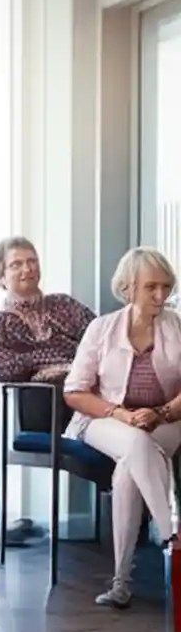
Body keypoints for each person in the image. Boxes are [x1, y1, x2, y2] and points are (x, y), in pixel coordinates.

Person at [63, 247, 181, 608]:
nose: (160, 295)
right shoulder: (102, 329)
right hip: (104, 419)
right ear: (128, 289)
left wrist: (161, 412)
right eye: (151, 287)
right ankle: (172, 534)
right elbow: (75, 392)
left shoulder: (177, 326)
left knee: (130, 465)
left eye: (166, 287)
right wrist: (120, 414)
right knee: (135, 444)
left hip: (166, 420)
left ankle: (120, 583)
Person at [0, 236, 95, 432]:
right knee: (46, 392)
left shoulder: (64, 305)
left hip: (83, 385)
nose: (27, 269)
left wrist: (41, 363)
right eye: (16, 264)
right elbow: (5, 371)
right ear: (1, 277)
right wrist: (61, 363)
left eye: (32, 261)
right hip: (41, 399)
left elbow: (99, 339)